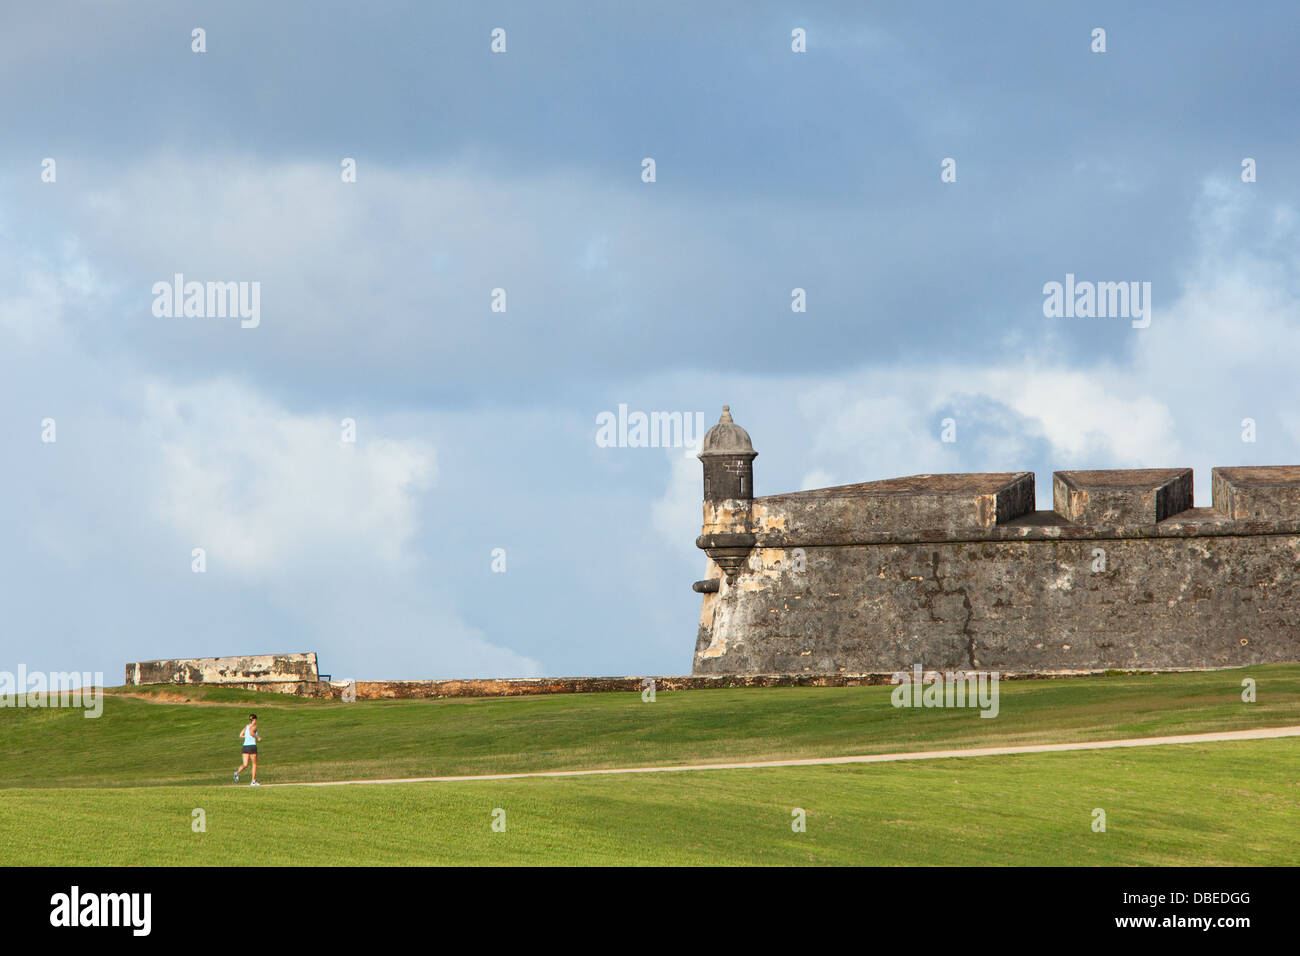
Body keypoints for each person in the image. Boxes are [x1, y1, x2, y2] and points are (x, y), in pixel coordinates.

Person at [234, 713, 261, 786]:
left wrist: (247, 737)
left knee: (245, 764)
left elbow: (241, 735)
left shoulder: (246, 726)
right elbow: (251, 732)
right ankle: (253, 781)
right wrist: (257, 737)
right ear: (254, 719)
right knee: (254, 764)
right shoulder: (254, 726)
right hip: (252, 746)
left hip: (245, 746)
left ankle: (237, 773)